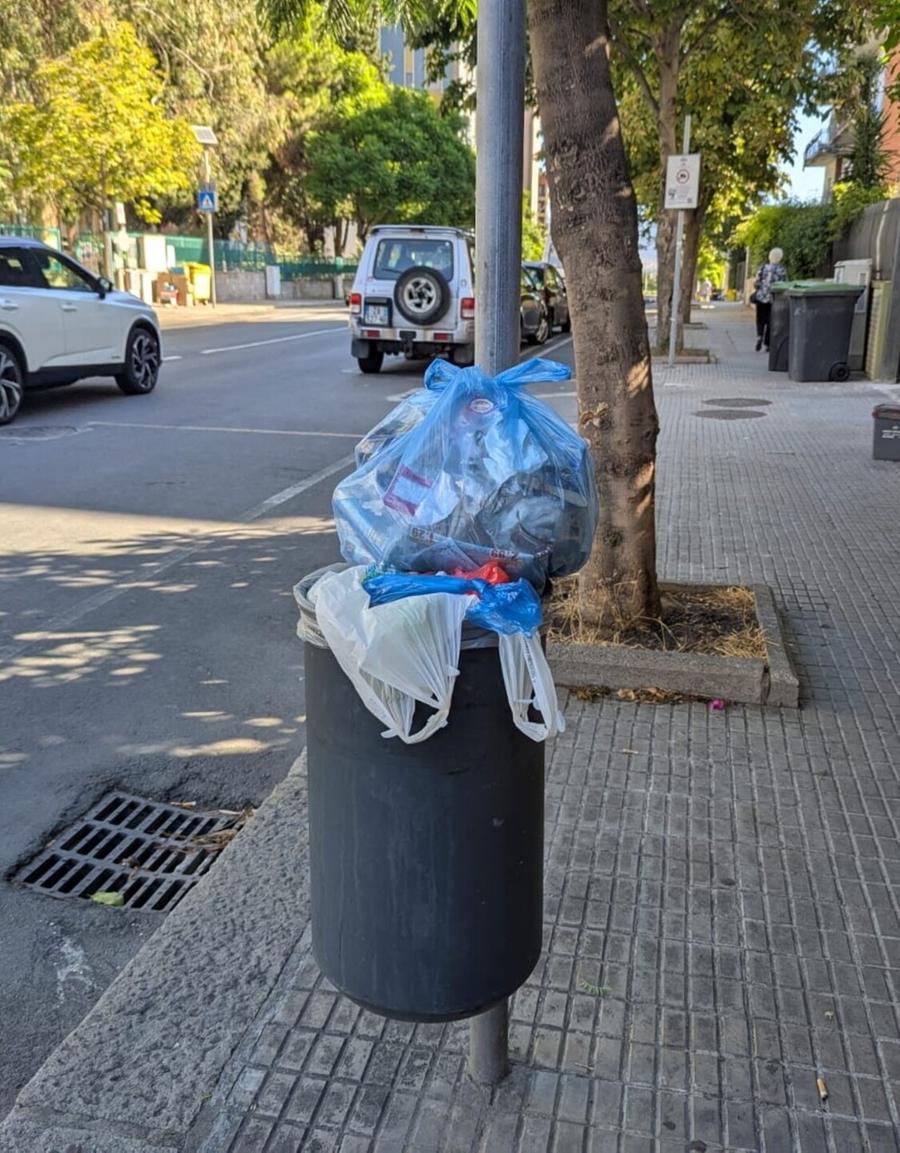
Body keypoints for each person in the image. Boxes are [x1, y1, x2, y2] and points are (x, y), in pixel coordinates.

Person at [753, 247, 787, 351]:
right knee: (771, 321)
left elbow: (756, 283)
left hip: (761, 297)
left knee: (760, 319)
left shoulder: (763, 268)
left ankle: (759, 336)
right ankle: (768, 344)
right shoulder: (782, 270)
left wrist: (762, 287)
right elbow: (785, 284)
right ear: (780, 257)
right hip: (774, 299)